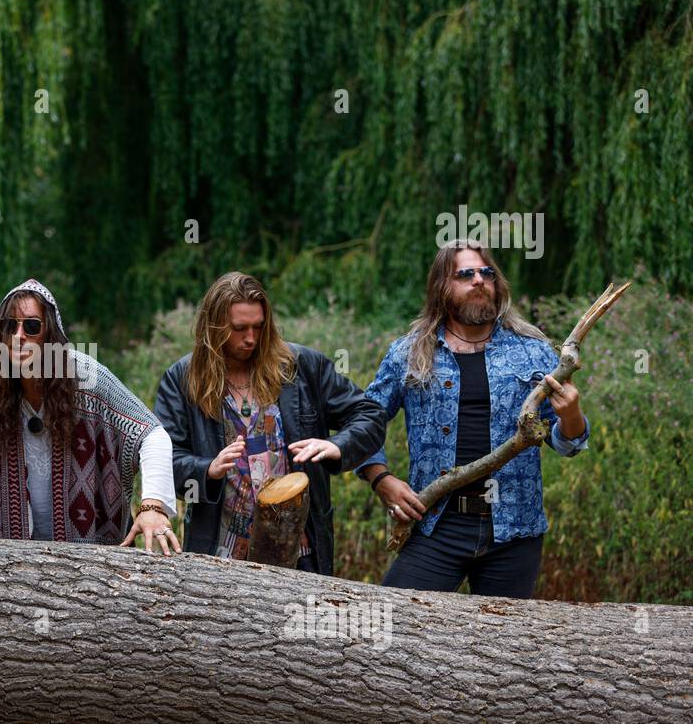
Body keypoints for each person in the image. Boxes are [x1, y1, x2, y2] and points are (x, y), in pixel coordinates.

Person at [355, 239, 591, 598]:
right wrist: (381, 479)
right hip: (435, 525)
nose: (479, 280)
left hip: (514, 532)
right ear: (441, 287)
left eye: (487, 273)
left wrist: (572, 415)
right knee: (396, 620)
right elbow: (364, 420)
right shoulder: (409, 353)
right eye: (465, 274)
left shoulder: (533, 351)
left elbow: (567, 445)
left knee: (502, 632)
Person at [153, 272, 385, 573]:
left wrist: (337, 445)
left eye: (259, 326)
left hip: (301, 552)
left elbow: (370, 414)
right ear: (214, 327)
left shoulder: (302, 367)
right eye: (239, 329)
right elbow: (164, 460)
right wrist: (207, 469)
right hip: (219, 554)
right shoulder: (183, 379)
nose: (251, 338)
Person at [0, 278, 180, 553]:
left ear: (51, 335)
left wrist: (152, 506)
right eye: (9, 326)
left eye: (31, 326)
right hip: (3, 558)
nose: (18, 336)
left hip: (93, 559)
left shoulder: (86, 377)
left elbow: (151, 435)